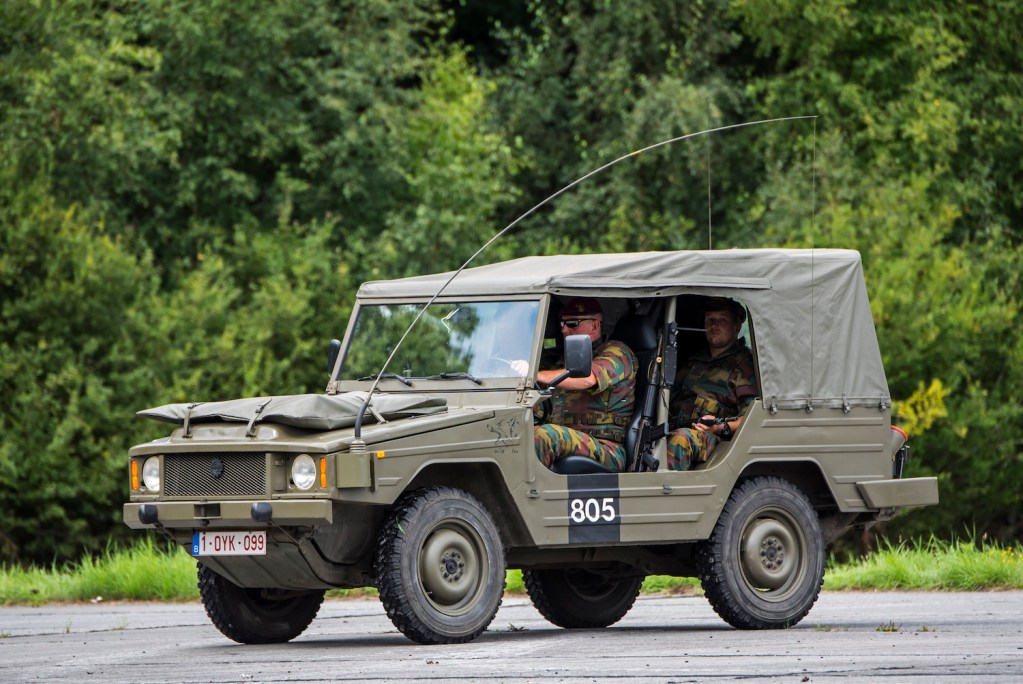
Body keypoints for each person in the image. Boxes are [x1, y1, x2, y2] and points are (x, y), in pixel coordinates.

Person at [533, 298, 637, 472]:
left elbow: (588, 379)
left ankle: (520, 496)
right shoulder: (562, 363)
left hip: (606, 448)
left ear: (595, 326)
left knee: (544, 435)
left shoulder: (616, 352)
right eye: (562, 323)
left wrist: (534, 375)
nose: (564, 329)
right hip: (568, 440)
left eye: (572, 323)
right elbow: (543, 405)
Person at [666, 298, 757, 470]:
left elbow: (751, 419)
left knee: (680, 440)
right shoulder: (694, 362)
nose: (714, 325)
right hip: (679, 426)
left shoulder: (745, 366)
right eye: (710, 320)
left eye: (722, 320)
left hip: (716, 439)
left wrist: (719, 427)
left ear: (737, 327)